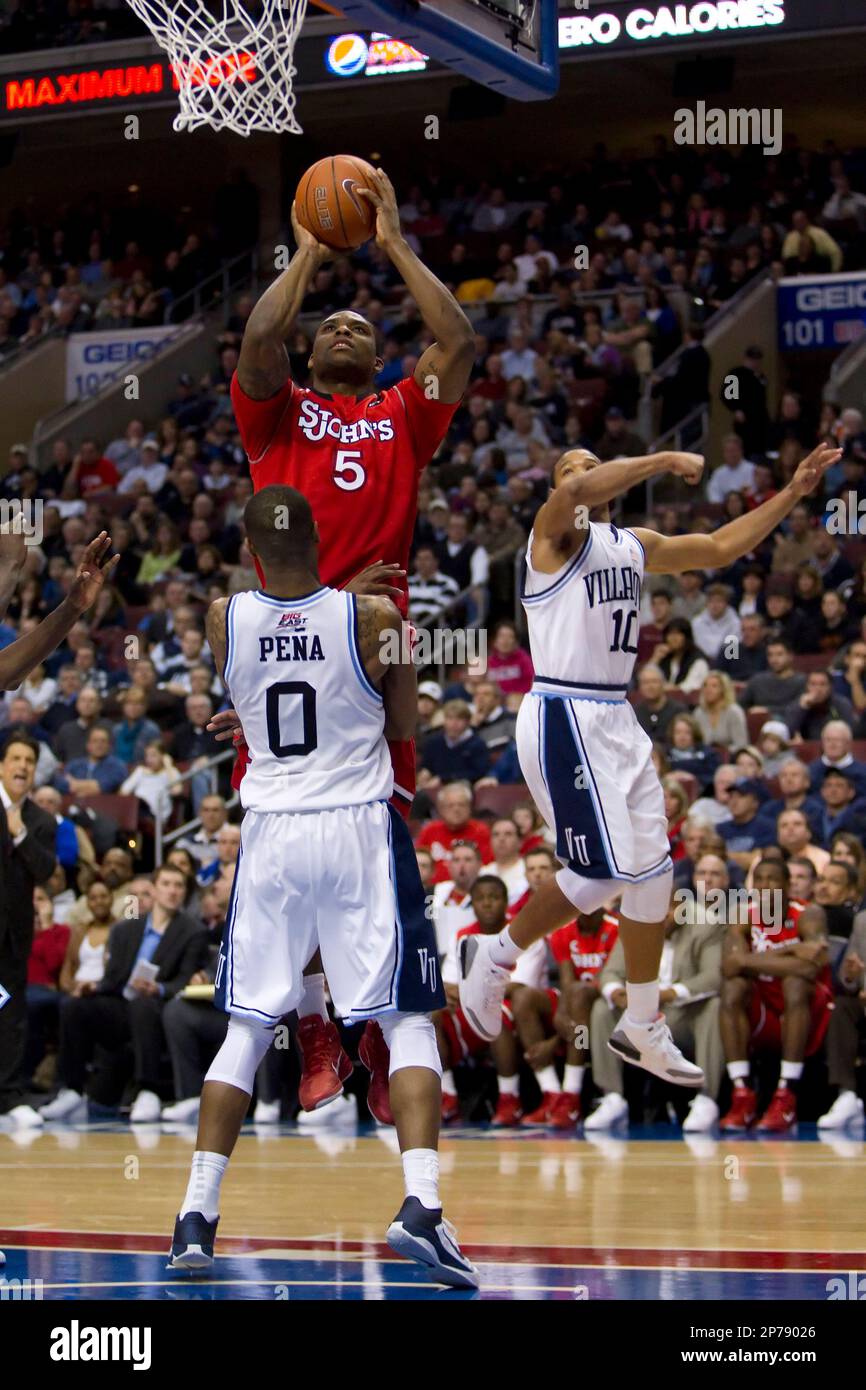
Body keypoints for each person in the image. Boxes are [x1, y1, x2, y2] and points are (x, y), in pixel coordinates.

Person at [458, 439, 841, 1094]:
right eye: (568, 468)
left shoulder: (630, 544)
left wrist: (794, 493)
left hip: (616, 715)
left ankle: (641, 1022)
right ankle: (494, 955)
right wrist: (663, 461)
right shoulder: (550, 532)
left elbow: (720, 547)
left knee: (655, 874)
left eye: (588, 462)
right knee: (602, 871)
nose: (580, 474)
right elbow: (579, 494)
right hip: (564, 711)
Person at [169, 486, 476, 1288]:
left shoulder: (220, 618)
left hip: (270, 833)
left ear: (245, 549)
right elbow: (400, 726)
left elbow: (263, 678)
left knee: (242, 1027)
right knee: (409, 1016)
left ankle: (196, 1219)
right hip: (355, 829)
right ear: (322, 536)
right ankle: (422, 1209)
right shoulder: (374, 621)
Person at [719, 857, 831, 1133]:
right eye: (759, 879)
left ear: (787, 885)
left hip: (808, 1007)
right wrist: (788, 951)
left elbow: (808, 967)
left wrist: (749, 960)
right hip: (765, 1009)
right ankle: (742, 1093)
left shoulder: (808, 913)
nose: (765, 885)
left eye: (772, 879)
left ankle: (786, 1093)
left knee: (794, 982)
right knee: (732, 988)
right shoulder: (743, 915)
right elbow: (730, 966)